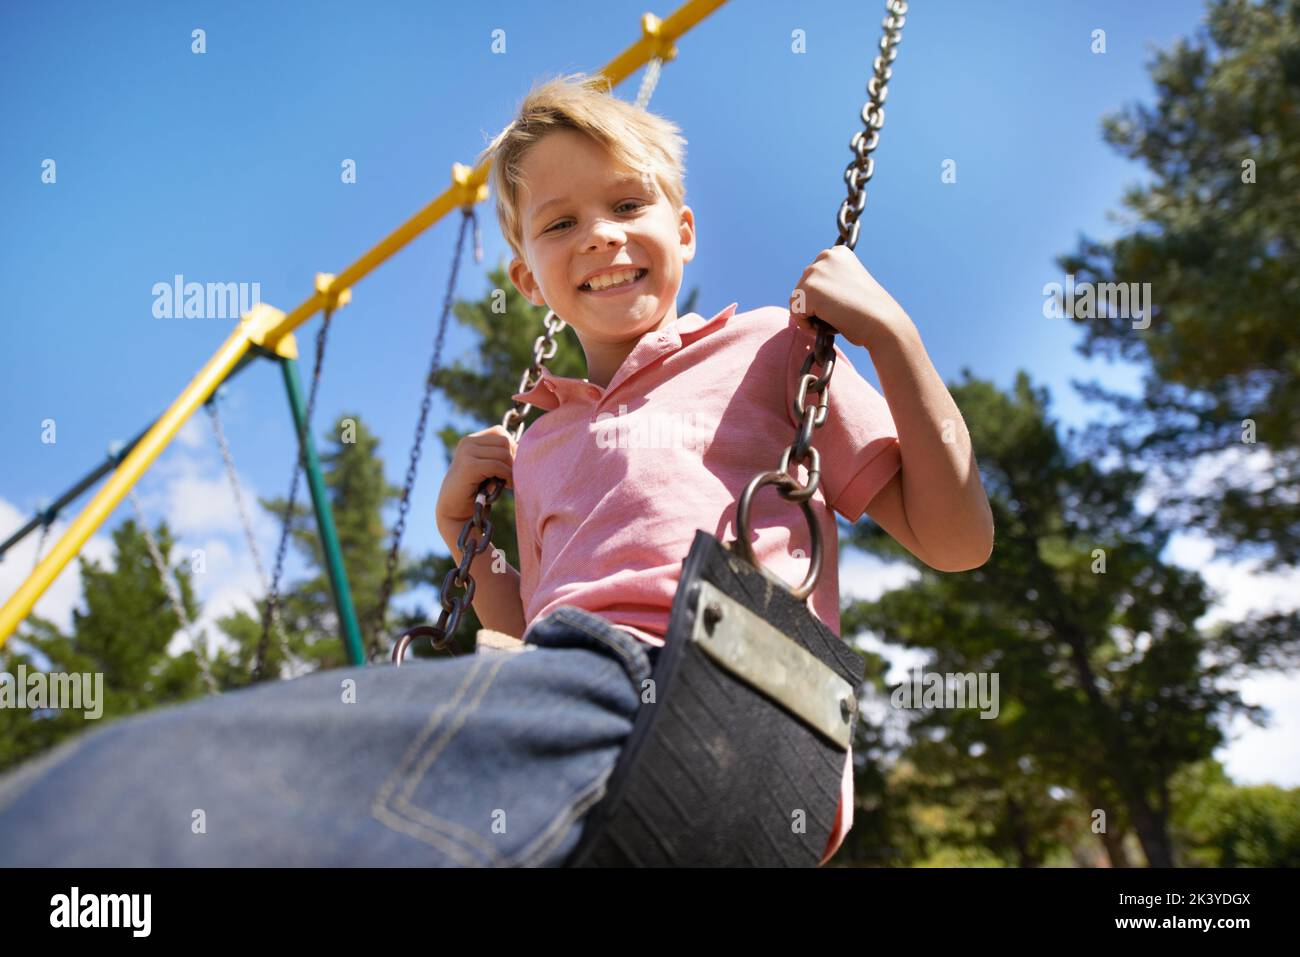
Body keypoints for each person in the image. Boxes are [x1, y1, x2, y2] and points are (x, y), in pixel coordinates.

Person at [0, 72, 993, 868]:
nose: (599, 234)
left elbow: (955, 541)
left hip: (717, 700)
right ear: (529, 279)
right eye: (558, 224)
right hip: (580, 703)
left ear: (682, 230)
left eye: (627, 203)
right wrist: (461, 544)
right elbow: (529, 628)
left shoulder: (771, 351)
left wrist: (891, 337)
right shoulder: (543, 441)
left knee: (147, 793)